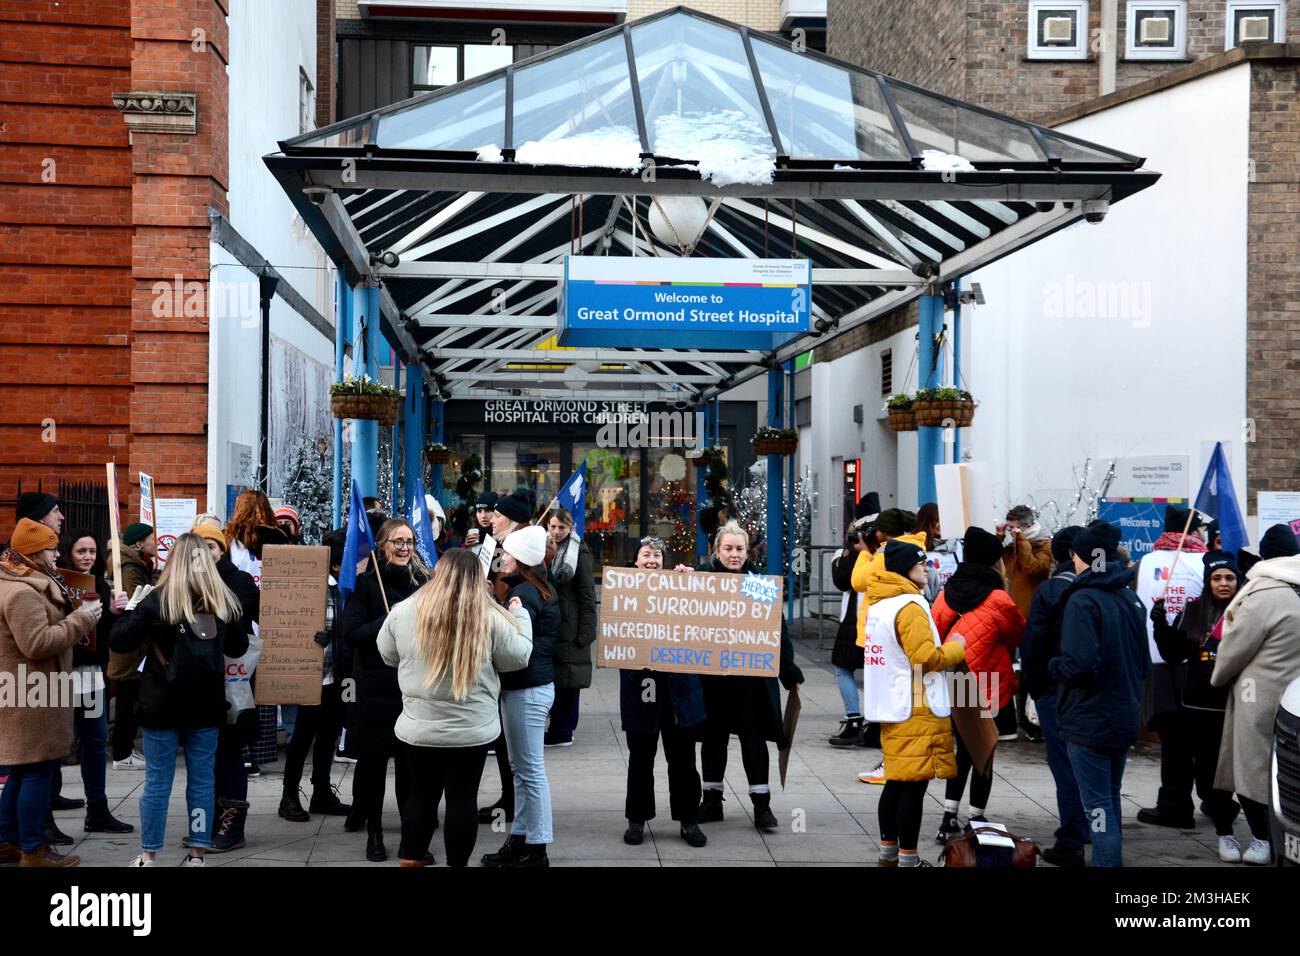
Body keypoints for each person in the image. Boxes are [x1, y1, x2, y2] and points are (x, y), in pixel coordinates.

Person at [377, 549, 533, 867]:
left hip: (419, 729)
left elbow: (387, 655)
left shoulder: (404, 611)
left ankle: (411, 860)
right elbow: (517, 658)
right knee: (462, 800)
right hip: (471, 733)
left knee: (420, 797)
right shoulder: (490, 617)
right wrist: (521, 616)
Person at [110, 532, 250, 867]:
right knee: (202, 782)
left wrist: (128, 610)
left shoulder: (158, 601)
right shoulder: (222, 602)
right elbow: (238, 648)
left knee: (158, 782)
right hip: (206, 706)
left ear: (173, 561)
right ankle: (198, 853)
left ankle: (148, 854)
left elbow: (120, 642)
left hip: (161, 705)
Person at [674, 522, 803, 833]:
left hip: (751, 681)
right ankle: (711, 800)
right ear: (717, 550)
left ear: (748, 551)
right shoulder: (701, 579)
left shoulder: (759, 585)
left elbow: (778, 633)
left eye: (739, 549)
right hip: (713, 680)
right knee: (713, 739)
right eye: (728, 548)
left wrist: (789, 673)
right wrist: (679, 580)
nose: (734, 554)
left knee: (754, 740)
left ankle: (762, 806)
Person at [1049, 522, 1150, 867]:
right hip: (1122, 716)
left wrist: (1053, 666)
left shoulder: (1083, 599)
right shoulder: (1130, 598)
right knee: (1109, 800)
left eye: (1076, 556)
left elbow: (1079, 664)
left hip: (1089, 718)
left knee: (1098, 808)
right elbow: (1143, 664)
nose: (1073, 562)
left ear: (1086, 558)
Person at [0, 518, 100, 867]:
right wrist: (82, 620)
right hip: (32, 695)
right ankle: (33, 849)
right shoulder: (21, 592)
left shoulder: (21, 582)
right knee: (37, 771)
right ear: (34, 553)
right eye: (52, 548)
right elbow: (37, 643)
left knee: (23, 770)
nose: (57, 554)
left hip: (29, 691)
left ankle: (8, 841)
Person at [865, 539, 967, 868]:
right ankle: (908, 859)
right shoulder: (910, 605)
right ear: (904, 570)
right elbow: (924, 657)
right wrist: (957, 647)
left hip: (892, 704)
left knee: (896, 780)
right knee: (913, 786)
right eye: (921, 564)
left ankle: (888, 854)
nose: (927, 568)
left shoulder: (880, 605)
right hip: (916, 707)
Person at [1141, 551, 1243, 861]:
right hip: (1191, 704)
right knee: (1179, 760)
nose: (1223, 583)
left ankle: (1221, 815)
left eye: (1229, 577)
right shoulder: (1194, 610)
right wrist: (1161, 625)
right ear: (1207, 582)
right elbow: (1174, 653)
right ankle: (1176, 808)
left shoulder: (1246, 610)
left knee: (1217, 771)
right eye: (1216, 578)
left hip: (1228, 707)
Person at [339, 517, 430, 862]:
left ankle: (412, 835)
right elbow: (353, 635)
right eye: (397, 542)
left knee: (411, 768)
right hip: (374, 690)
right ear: (382, 545)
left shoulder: (422, 583)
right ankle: (374, 832)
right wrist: (389, 619)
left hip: (411, 689)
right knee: (374, 767)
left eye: (409, 542)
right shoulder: (365, 585)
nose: (405, 548)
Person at [1210, 526, 1300, 866]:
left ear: (1264, 555)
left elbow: (1234, 647)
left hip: (1257, 696)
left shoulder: (1262, 592)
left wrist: (1218, 678)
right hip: (1295, 697)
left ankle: (1262, 839)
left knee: (1252, 769)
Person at [930, 526, 1026, 842]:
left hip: (960, 678)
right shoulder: (1000, 598)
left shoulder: (946, 594)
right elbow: (1017, 636)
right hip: (991, 683)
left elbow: (936, 634)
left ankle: (948, 815)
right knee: (984, 752)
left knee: (963, 750)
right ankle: (976, 817)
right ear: (993, 563)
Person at [620, 537, 708, 849]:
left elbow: (704, 620)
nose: (652, 560)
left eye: (657, 555)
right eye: (646, 555)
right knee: (641, 758)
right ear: (635, 561)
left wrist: (691, 585)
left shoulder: (680, 588)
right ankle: (637, 819)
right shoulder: (624, 592)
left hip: (677, 691)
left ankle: (689, 819)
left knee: (683, 759)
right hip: (641, 688)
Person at [480, 525, 559, 868]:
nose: (503, 558)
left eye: (508, 553)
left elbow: (513, 646)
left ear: (523, 559)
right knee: (522, 769)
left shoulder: (522, 597)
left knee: (529, 771)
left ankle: (536, 846)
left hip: (526, 688)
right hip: (530, 687)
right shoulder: (533, 589)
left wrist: (491, 605)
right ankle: (521, 838)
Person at [51, 529, 133, 836]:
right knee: (54, 745)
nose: (87, 557)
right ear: (68, 553)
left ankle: (97, 808)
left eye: (92, 552)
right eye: (80, 551)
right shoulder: (55, 584)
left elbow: (108, 636)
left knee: (96, 742)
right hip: (58, 675)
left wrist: (114, 611)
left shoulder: (101, 586)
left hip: (89, 675)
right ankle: (47, 808)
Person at [187, 522, 261, 852]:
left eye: (211, 546)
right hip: (197, 684)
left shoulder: (240, 581)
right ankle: (209, 823)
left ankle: (233, 826)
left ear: (221, 550)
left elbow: (239, 617)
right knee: (204, 759)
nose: (205, 552)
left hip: (232, 685)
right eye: (198, 546)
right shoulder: (184, 583)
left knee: (230, 755)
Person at [1019, 526, 1087, 866]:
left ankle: (1073, 834)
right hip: (1096, 691)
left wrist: (1033, 686)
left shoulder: (1051, 591)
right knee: (1094, 764)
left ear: (1058, 556)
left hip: (1055, 690)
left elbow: (1033, 644)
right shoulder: (1110, 590)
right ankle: (1092, 825)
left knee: (1064, 763)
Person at [1138, 504, 1208, 828]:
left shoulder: (1147, 563)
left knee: (1174, 740)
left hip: (1158, 664)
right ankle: (1213, 800)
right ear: (1193, 531)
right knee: (1203, 738)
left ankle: (1174, 804)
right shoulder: (1205, 563)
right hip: (1200, 663)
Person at [278, 529, 351, 824]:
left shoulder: (348, 588)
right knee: (303, 737)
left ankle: (321, 792)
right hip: (313, 676)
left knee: (328, 736)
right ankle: (289, 796)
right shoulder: (312, 586)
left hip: (338, 677)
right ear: (336, 563)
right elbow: (290, 621)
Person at [851, 507, 929, 784]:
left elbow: (858, 581)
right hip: (898, 633)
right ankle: (899, 760)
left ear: (885, 531)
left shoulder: (888, 552)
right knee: (906, 700)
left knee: (892, 704)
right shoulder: (916, 545)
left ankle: (893, 762)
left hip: (887, 637)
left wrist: (864, 552)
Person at [476, 489, 535, 823]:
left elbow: (513, 601)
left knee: (514, 746)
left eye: (496, 515)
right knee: (504, 742)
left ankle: (514, 803)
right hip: (502, 651)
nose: (490, 519)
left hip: (513, 653)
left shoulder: (520, 554)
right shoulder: (496, 548)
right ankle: (509, 797)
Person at [224, 490, 286, 775]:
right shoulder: (279, 538)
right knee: (264, 692)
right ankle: (260, 751)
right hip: (274, 621)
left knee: (239, 685)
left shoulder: (227, 541)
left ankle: (241, 751)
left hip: (240, 623)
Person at [106, 521, 158, 772]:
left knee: (130, 698)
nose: (154, 542)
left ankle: (125, 749)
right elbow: (134, 602)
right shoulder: (130, 568)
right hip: (129, 647)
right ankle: (122, 752)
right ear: (138, 543)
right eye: (150, 538)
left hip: (134, 645)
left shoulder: (139, 565)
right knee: (127, 700)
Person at [828, 496, 879, 748]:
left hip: (855, 616)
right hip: (881, 618)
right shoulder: (890, 546)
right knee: (875, 670)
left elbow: (842, 580)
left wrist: (851, 551)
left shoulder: (857, 547)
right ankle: (876, 723)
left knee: (843, 667)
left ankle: (854, 719)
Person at [545, 507, 597, 747]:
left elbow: (587, 595)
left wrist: (586, 632)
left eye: (561, 527)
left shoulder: (579, 553)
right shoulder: (547, 550)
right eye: (552, 526)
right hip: (556, 625)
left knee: (569, 682)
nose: (556, 531)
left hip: (572, 627)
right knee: (558, 680)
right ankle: (558, 727)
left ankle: (563, 730)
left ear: (571, 528)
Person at [999, 505, 1053, 618]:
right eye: (1009, 529)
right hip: (1012, 611)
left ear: (1028, 526)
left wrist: (1020, 539)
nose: (1011, 533)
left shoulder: (1044, 544)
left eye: (1014, 528)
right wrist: (999, 537)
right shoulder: (1014, 545)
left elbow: (1034, 569)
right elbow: (995, 560)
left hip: (1031, 613)